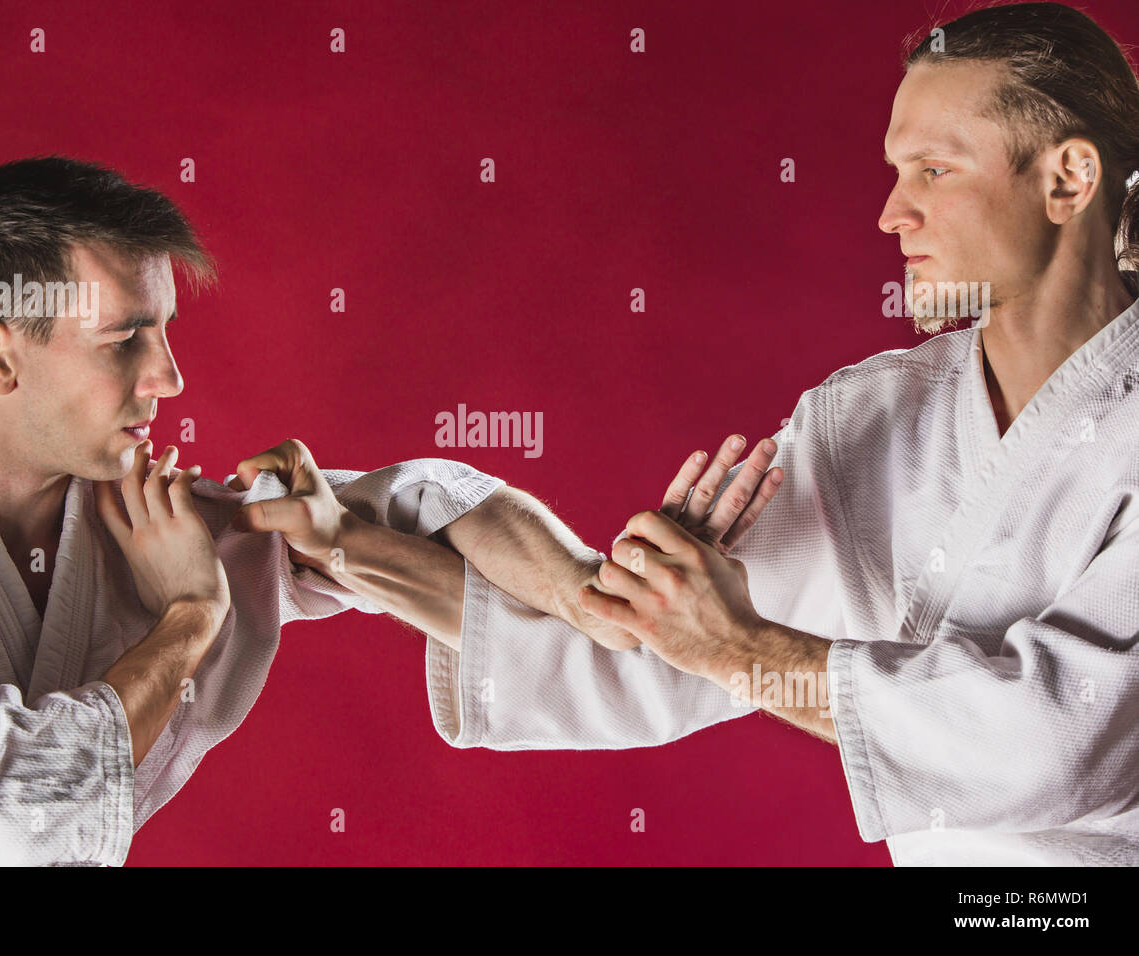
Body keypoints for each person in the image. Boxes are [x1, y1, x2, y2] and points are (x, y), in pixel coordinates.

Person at [0, 155, 779, 864]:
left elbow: (422, 503)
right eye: (125, 339)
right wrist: (190, 619)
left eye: (165, 332)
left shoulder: (148, 524)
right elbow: (10, 818)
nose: (169, 377)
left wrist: (588, 590)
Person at [419, 2, 1139, 866]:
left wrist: (733, 642)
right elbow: (645, 655)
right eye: (895, 173)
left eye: (935, 171)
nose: (892, 215)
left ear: (1069, 179)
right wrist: (377, 523)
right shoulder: (869, 418)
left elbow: (1059, 745)